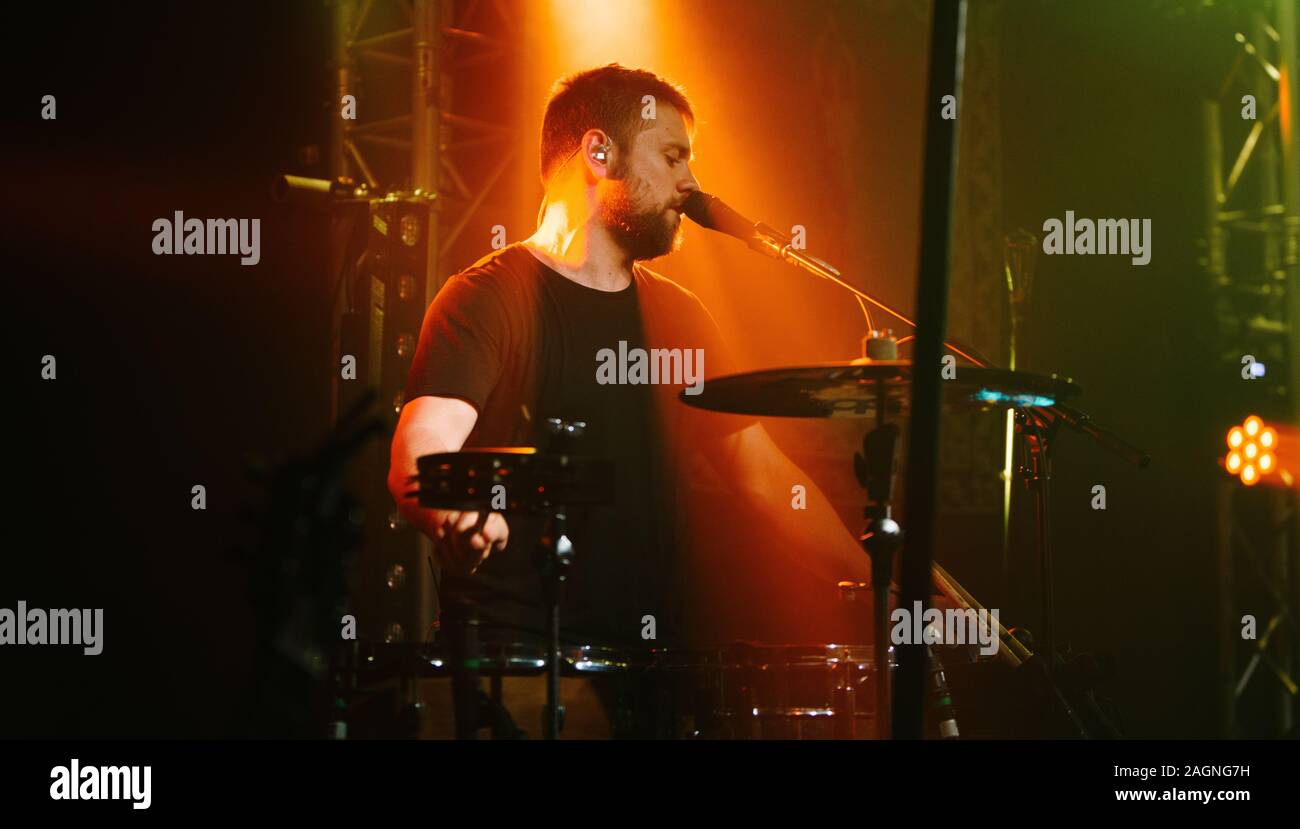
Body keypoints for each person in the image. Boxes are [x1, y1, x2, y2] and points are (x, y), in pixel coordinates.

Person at [388, 64, 869, 651]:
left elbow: (764, 477)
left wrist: (882, 581)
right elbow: (424, 444)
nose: (691, 183)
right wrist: (453, 507)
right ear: (599, 152)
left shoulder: (681, 315)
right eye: (672, 157)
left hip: (654, 665)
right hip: (516, 664)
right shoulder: (486, 298)